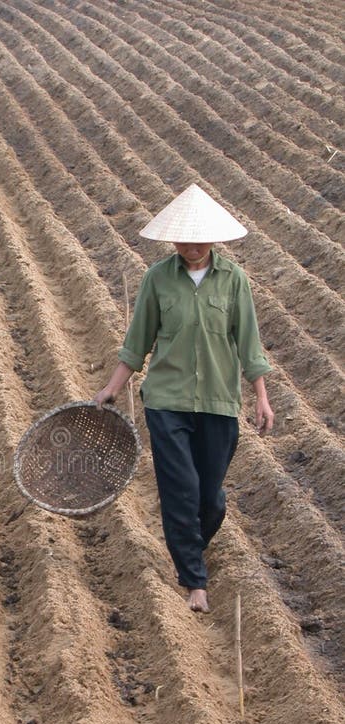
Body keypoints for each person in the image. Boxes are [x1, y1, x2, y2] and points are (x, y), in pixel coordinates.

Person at [94, 184, 273, 613]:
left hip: (218, 400)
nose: (191, 248)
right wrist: (112, 387)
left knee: (210, 498)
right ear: (173, 240)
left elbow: (249, 344)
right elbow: (138, 342)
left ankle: (187, 544)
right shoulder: (158, 278)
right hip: (166, 400)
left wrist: (261, 399)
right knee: (182, 490)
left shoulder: (234, 281)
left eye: (199, 240)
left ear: (213, 239)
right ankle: (195, 580)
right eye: (183, 240)